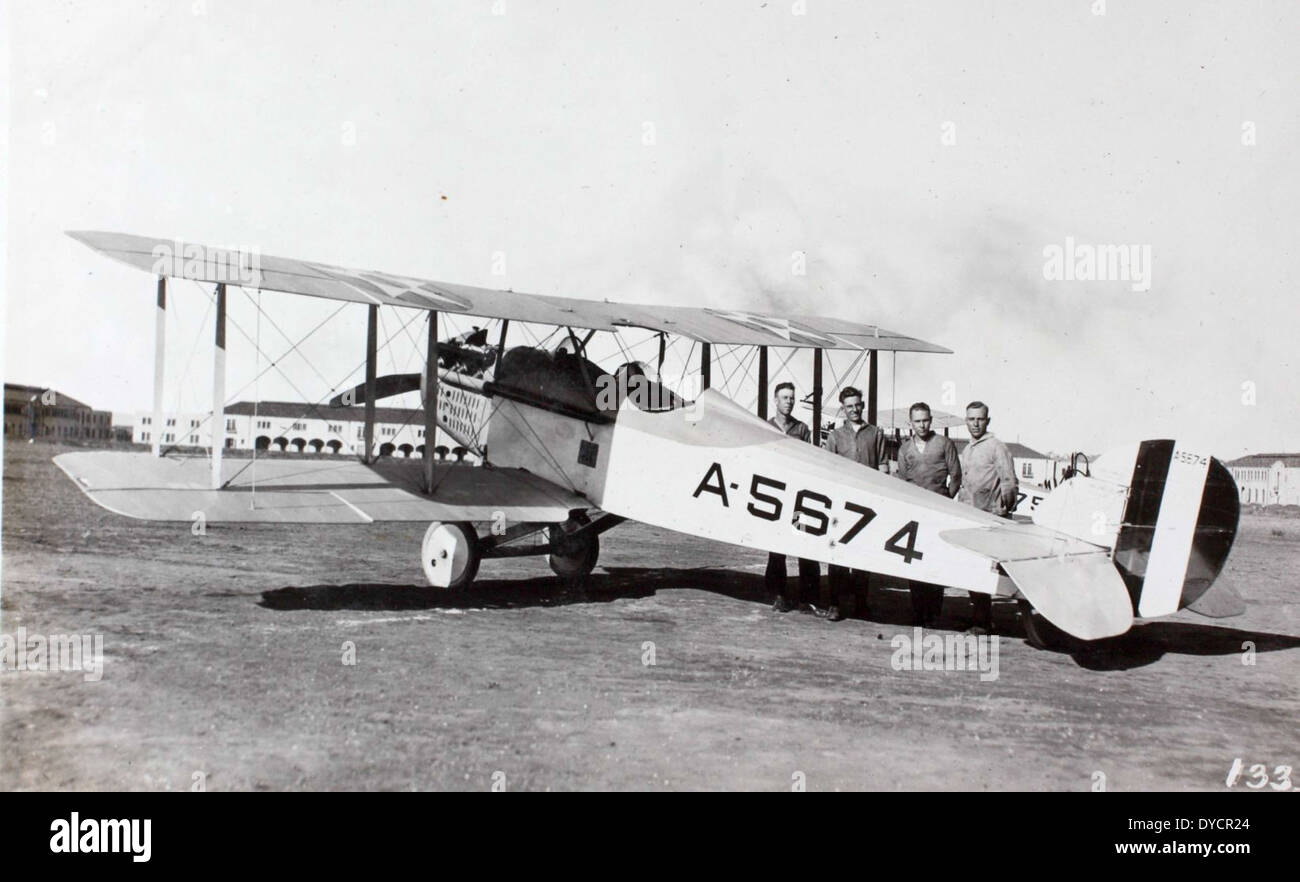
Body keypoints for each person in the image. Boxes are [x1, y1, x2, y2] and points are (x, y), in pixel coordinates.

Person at [822, 386, 886, 622]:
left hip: (867, 505)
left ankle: (861, 604)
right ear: (843, 409)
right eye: (849, 406)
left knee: (862, 556)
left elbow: (882, 468)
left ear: (863, 405)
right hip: (842, 505)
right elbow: (828, 470)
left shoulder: (876, 433)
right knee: (836, 556)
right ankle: (835, 605)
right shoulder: (835, 436)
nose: (854, 409)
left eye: (857, 405)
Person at [894, 402, 961, 627]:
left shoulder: (944, 444)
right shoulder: (905, 449)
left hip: (938, 514)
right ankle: (918, 612)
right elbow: (902, 481)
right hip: (915, 513)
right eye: (917, 421)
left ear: (931, 420)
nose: (922, 425)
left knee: (935, 563)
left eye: (925, 420)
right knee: (914, 563)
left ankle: (934, 613)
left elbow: (956, 476)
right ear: (910, 423)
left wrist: (944, 499)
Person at [956, 400, 1018, 635]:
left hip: (988, 518)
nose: (975, 423)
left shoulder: (996, 447)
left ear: (987, 421)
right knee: (971, 570)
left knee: (984, 571)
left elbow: (1009, 482)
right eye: (971, 419)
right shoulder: (969, 448)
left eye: (980, 419)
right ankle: (979, 619)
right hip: (969, 516)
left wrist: (1003, 509)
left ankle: (983, 622)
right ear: (966, 421)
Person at [765, 382, 821, 612]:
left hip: (797, 495)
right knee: (776, 548)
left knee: (804, 545)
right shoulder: (765, 427)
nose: (788, 401)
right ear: (775, 401)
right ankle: (778, 595)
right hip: (774, 493)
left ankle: (807, 597)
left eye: (791, 398)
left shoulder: (802, 430)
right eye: (784, 397)